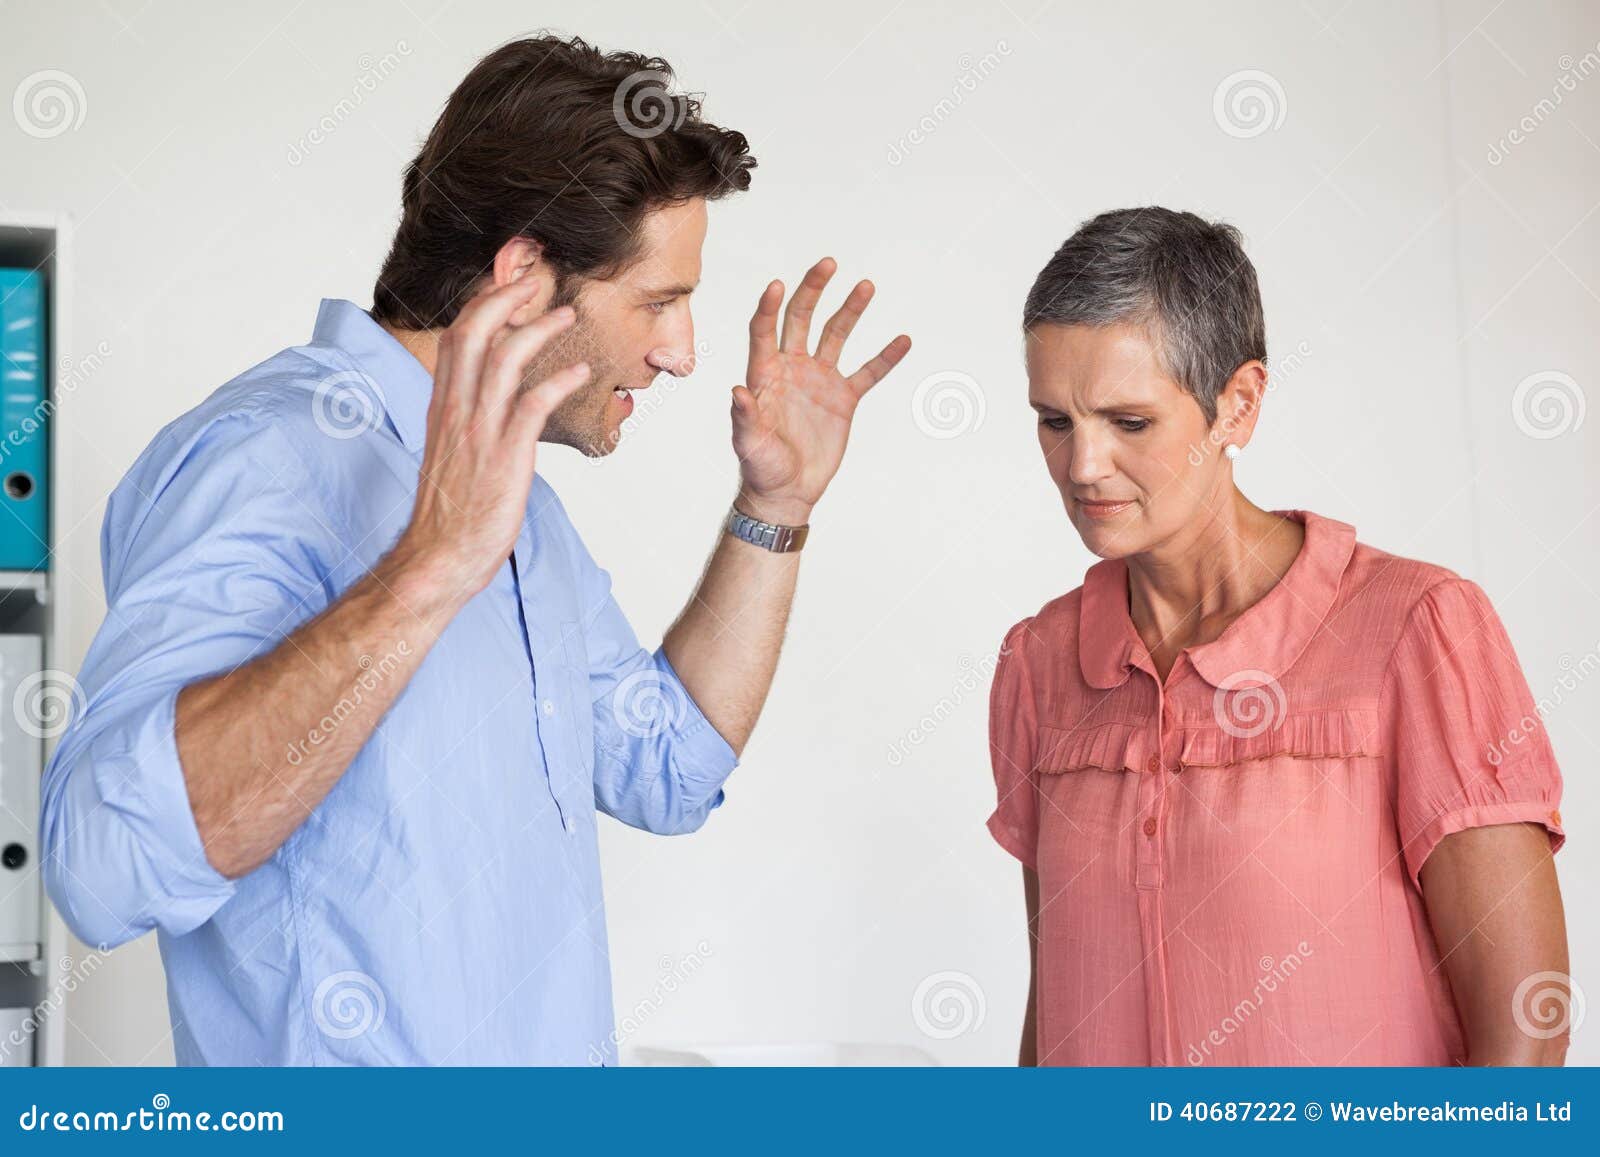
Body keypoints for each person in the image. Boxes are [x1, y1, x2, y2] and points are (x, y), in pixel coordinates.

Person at [40, 35, 910, 1065]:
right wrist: (429, 568)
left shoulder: (520, 510)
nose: (681, 353)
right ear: (524, 278)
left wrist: (775, 505)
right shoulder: (263, 455)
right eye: (658, 300)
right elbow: (103, 865)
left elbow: (667, 764)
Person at [988, 206, 1569, 1066]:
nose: (1083, 466)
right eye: (1056, 420)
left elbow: (1526, 1030)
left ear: (1239, 404)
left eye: (1130, 422)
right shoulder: (1039, 663)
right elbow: (1055, 1010)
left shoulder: (1417, 627)